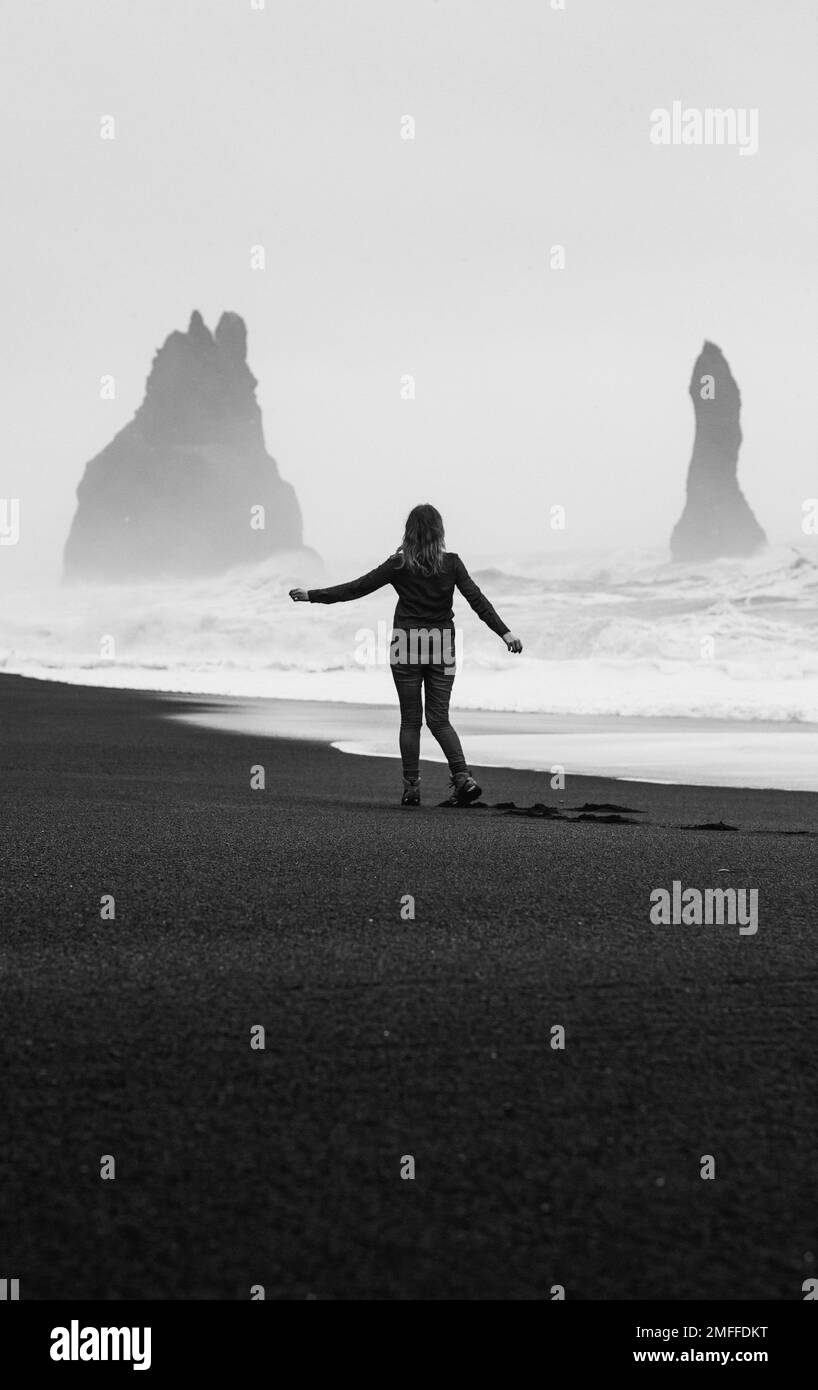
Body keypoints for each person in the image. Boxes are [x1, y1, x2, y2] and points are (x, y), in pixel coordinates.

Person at [290, 504, 523, 806]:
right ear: (439, 531)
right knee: (439, 719)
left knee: (411, 721)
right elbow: (477, 599)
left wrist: (313, 596)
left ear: (409, 532)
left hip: (406, 644)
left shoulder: (398, 564)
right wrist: (505, 632)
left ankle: (412, 788)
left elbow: (358, 588)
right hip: (442, 645)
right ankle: (463, 778)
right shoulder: (452, 563)